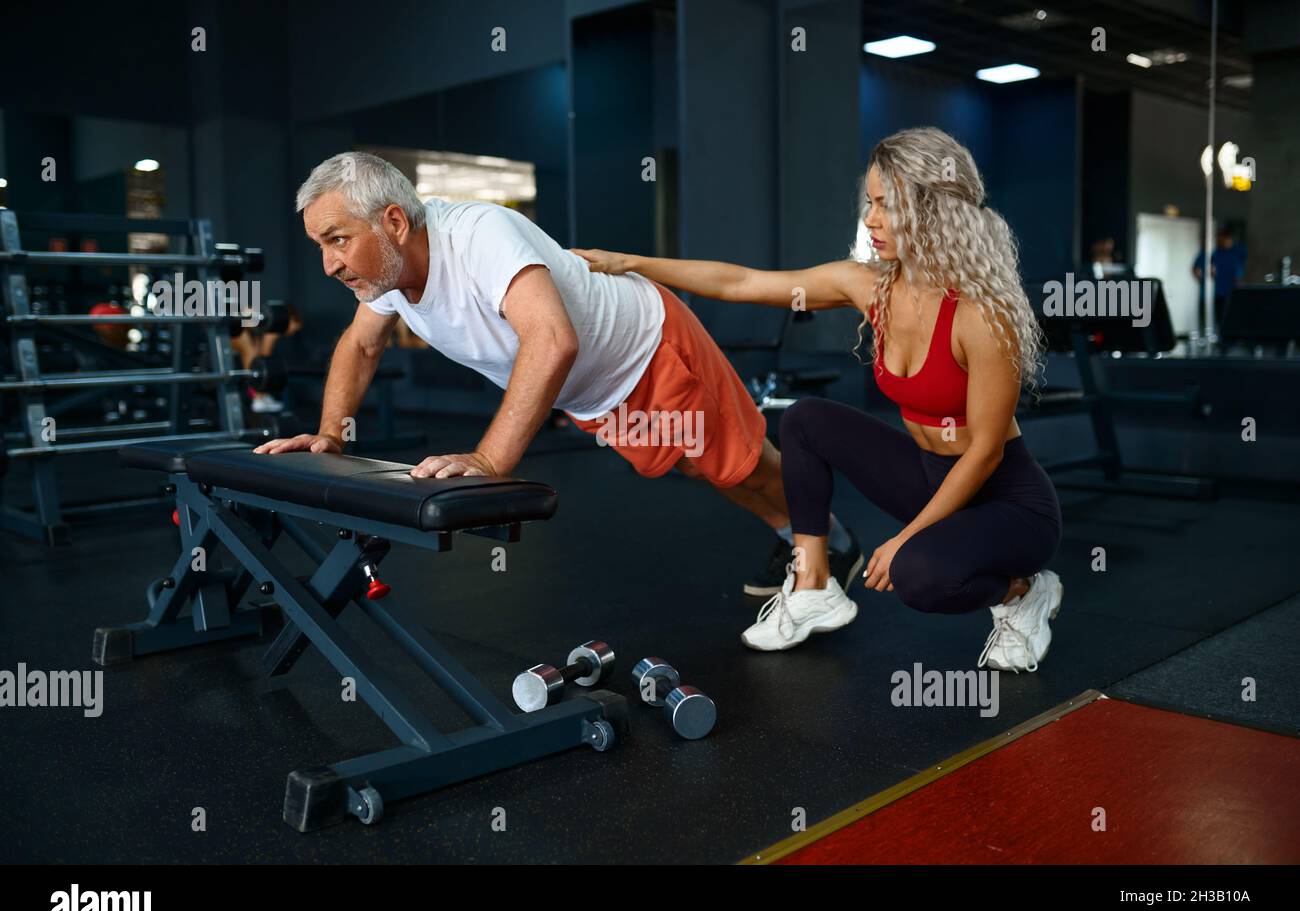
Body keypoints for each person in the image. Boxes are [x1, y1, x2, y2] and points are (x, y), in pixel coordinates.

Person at [256, 152, 864, 598]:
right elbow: (361, 346)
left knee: (741, 460)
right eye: (320, 246)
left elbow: (551, 341)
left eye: (337, 240)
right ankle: (794, 533)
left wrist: (491, 461)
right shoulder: (385, 273)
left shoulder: (478, 236)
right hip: (600, 393)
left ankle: (830, 539)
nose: (330, 263)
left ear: (393, 222)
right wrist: (331, 434)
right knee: (696, 463)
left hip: (647, 349)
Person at [575, 127, 1063, 671]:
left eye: (887, 206)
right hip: (929, 475)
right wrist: (633, 263)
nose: (871, 220)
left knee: (919, 577)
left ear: (934, 211)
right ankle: (813, 581)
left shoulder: (981, 315)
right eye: (870, 204)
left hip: (1007, 501)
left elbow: (986, 452)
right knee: (806, 418)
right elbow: (741, 282)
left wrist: (906, 537)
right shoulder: (869, 285)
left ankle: (1021, 592)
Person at [1193, 228, 1246, 329]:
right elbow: (1195, 268)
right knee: (1211, 321)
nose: (1224, 242)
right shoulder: (1211, 252)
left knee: (1229, 321)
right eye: (1221, 240)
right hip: (1212, 294)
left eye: (1226, 239)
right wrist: (1202, 281)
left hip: (1230, 293)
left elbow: (1239, 272)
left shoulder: (1237, 252)